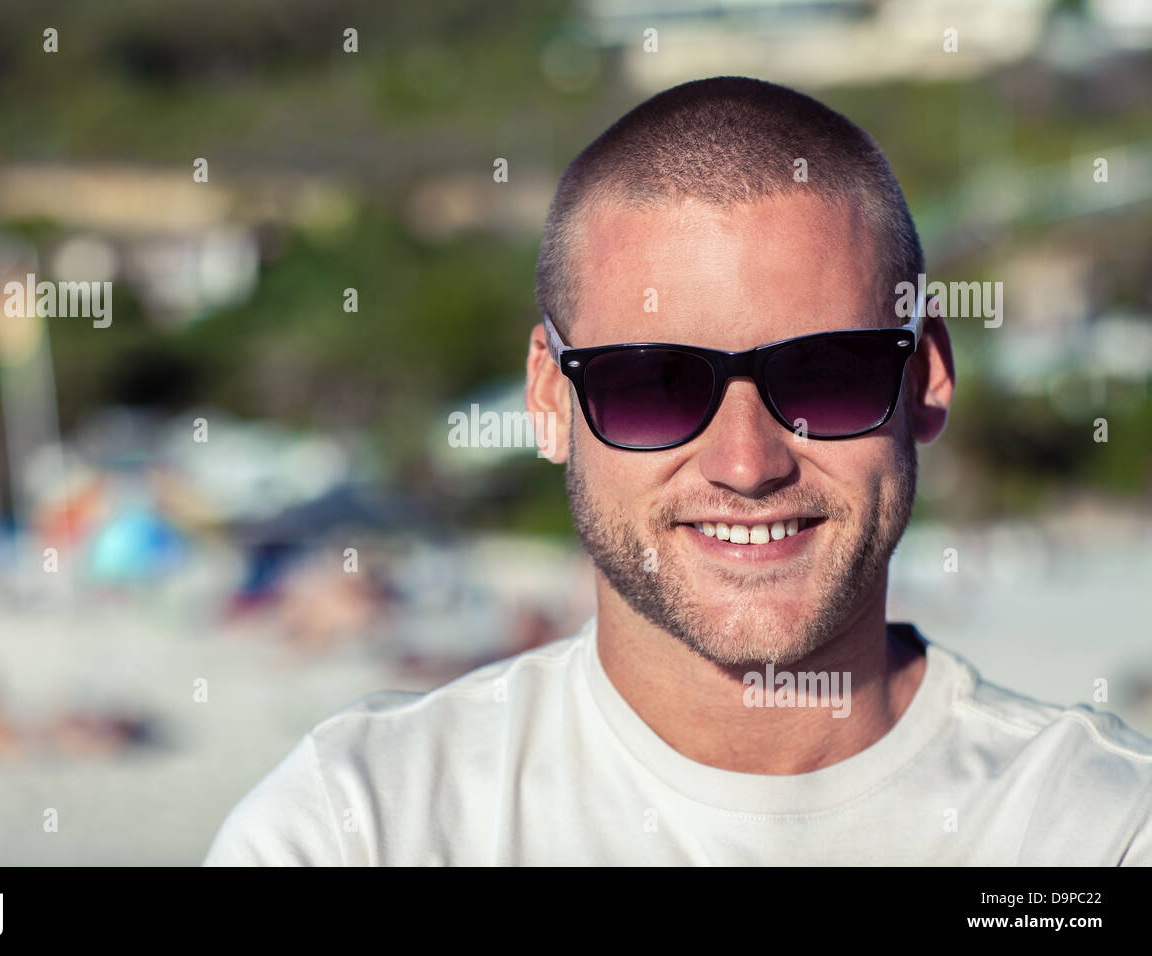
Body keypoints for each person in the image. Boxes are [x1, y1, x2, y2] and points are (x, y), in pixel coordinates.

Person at [203, 76, 1152, 865]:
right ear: (548, 402)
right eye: (653, 385)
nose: (746, 463)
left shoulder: (1091, 835)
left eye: (823, 373)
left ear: (926, 378)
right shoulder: (361, 830)